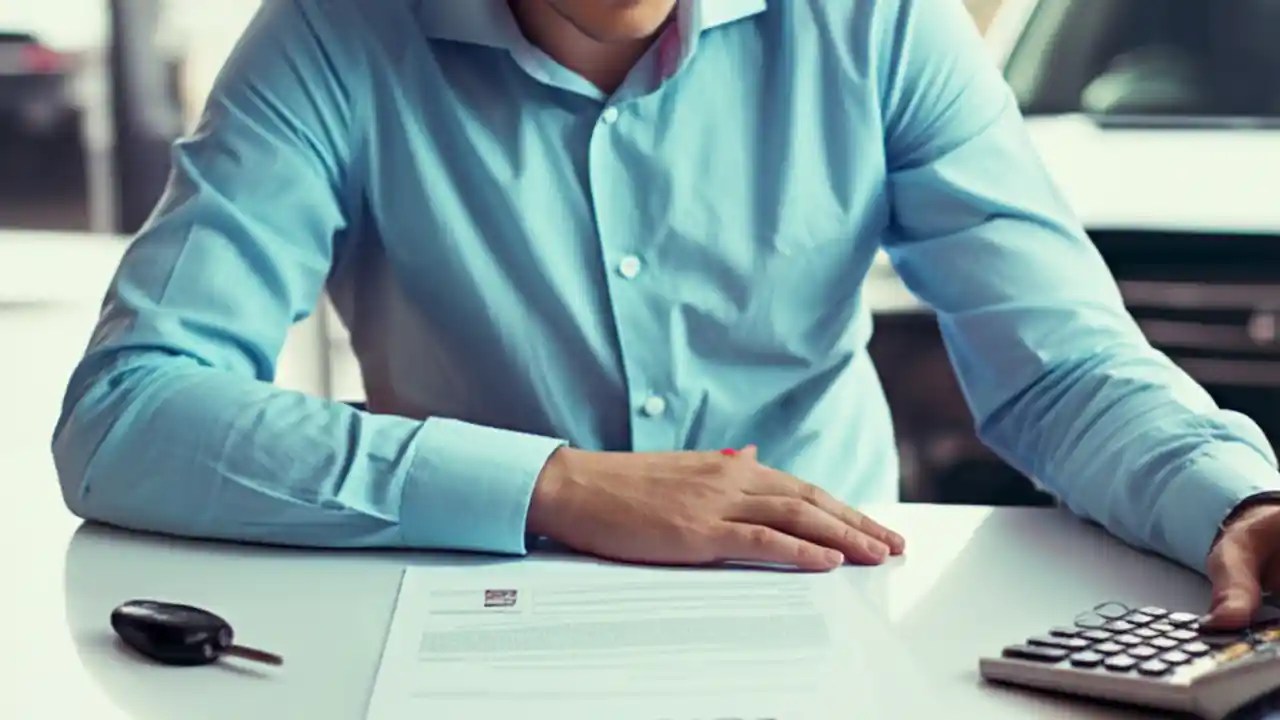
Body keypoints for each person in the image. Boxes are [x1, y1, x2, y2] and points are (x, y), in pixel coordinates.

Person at [52, 0, 1280, 629]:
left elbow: (1056, 366)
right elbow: (129, 411)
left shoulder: (874, 25)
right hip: (473, 627)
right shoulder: (330, 38)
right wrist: (556, 487)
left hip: (834, 622)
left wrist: (1232, 500)